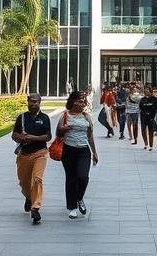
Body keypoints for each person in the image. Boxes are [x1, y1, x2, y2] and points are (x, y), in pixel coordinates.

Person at [57, 90, 98, 219]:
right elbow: (58, 133)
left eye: (83, 101)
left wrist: (94, 152)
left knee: (83, 177)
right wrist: (62, 130)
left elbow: (90, 136)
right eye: (80, 101)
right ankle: (72, 207)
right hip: (68, 150)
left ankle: (79, 198)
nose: (83, 103)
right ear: (73, 102)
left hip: (83, 150)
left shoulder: (86, 116)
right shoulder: (65, 115)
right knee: (71, 179)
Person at [12, 92, 51, 225]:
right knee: (23, 182)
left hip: (40, 152)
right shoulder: (22, 117)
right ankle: (29, 197)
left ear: (40, 103)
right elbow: (14, 135)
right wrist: (22, 138)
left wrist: (32, 138)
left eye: (36, 102)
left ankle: (35, 208)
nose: (33, 104)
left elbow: (47, 137)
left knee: (37, 178)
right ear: (27, 102)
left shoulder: (45, 118)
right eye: (31, 101)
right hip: (24, 154)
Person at [138, 85, 157, 152]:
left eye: (148, 91)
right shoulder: (142, 99)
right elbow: (141, 107)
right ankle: (146, 144)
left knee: (151, 131)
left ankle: (151, 145)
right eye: (145, 91)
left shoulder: (154, 99)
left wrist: (154, 111)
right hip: (143, 116)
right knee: (143, 130)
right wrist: (144, 112)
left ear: (150, 92)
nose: (146, 92)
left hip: (151, 117)